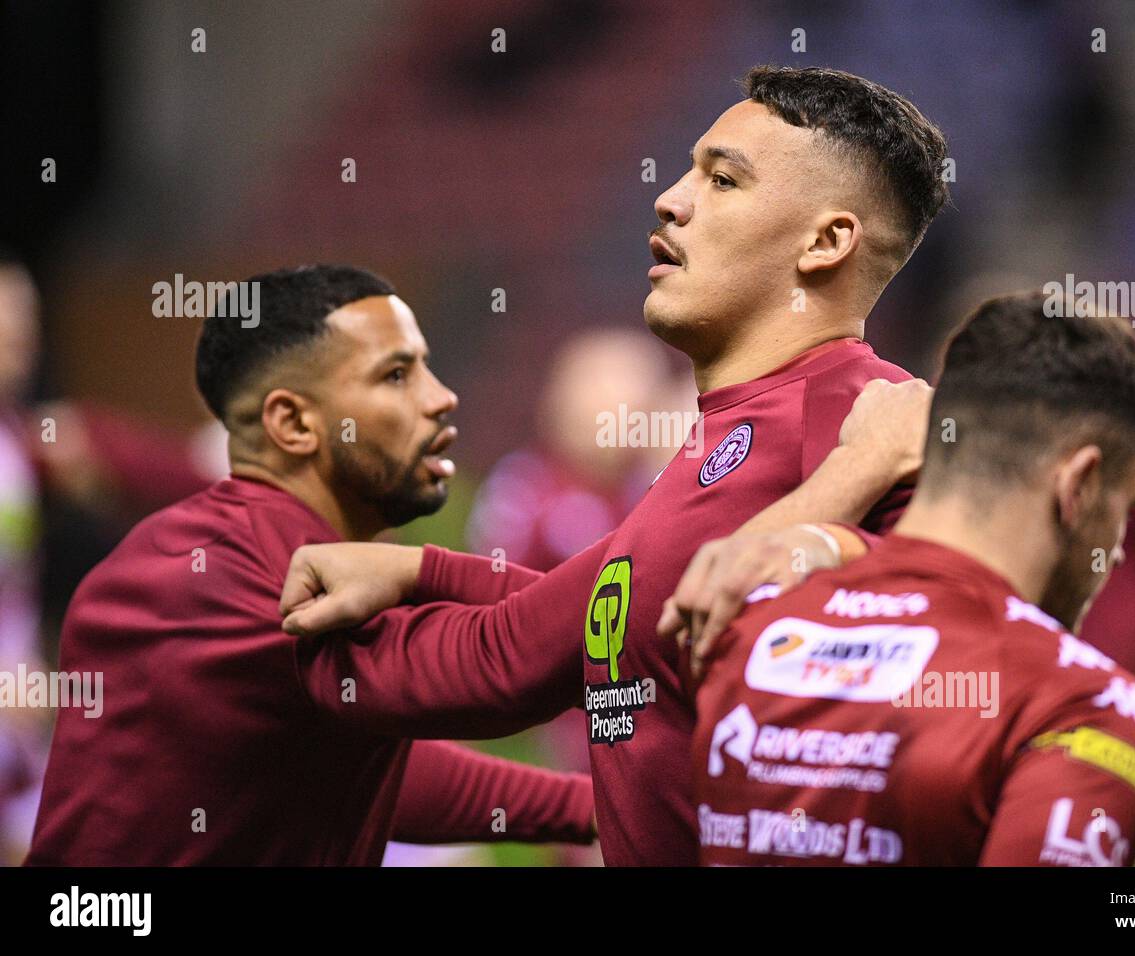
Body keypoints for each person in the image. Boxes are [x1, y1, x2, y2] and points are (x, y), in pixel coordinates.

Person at [278, 66, 948, 864]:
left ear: (826, 241)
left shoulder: (877, 429)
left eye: (724, 179)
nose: (670, 199)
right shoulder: (718, 448)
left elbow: (960, 706)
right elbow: (520, 648)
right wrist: (404, 575)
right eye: (690, 168)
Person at [26, 265, 595, 865]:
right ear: (294, 424)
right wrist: (424, 570)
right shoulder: (253, 580)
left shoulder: (224, 550)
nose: (441, 398)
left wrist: (587, 811)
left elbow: (372, 770)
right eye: (397, 375)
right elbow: (505, 663)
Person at [686, 292, 1135, 866]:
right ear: (1079, 485)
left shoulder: (740, 624)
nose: (1118, 552)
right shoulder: (1088, 709)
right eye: (1127, 507)